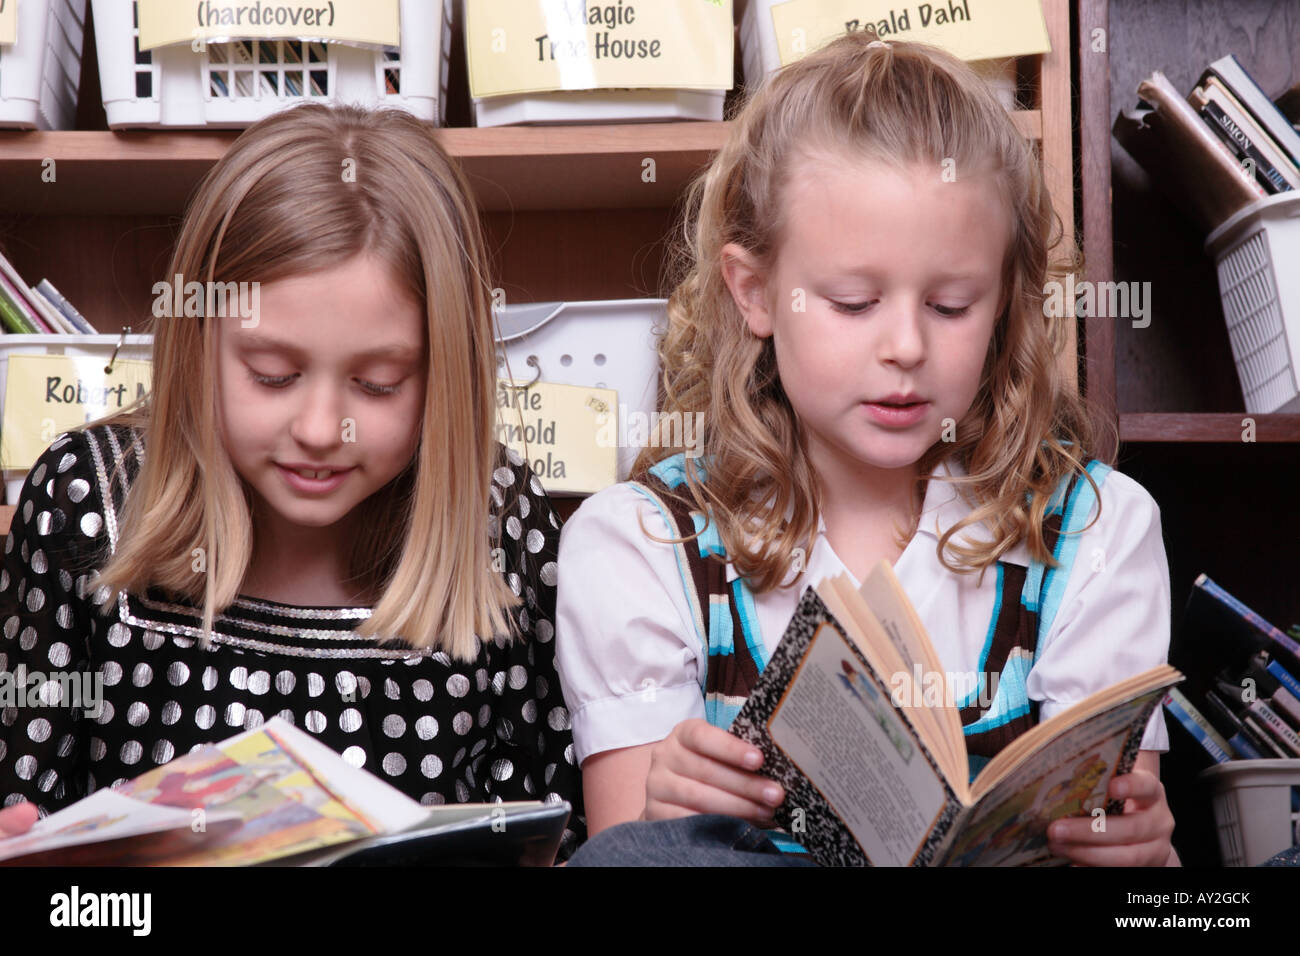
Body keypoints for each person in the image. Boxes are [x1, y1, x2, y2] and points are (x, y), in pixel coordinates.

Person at [554, 34, 1175, 866]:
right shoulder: (639, 539)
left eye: (953, 305)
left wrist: (1149, 854)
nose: (906, 346)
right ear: (755, 292)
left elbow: (1118, 827)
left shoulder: (1097, 529)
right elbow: (624, 845)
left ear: (1005, 307)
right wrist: (665, 803)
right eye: (853, 302)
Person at [0, 103, 584, 860]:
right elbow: (29, 804)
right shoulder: (83, 504)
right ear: (195, 344)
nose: (319, 429)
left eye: (379, 384)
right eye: (272, 375)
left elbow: (560, 832)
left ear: (445, 380)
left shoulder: (498, 520)